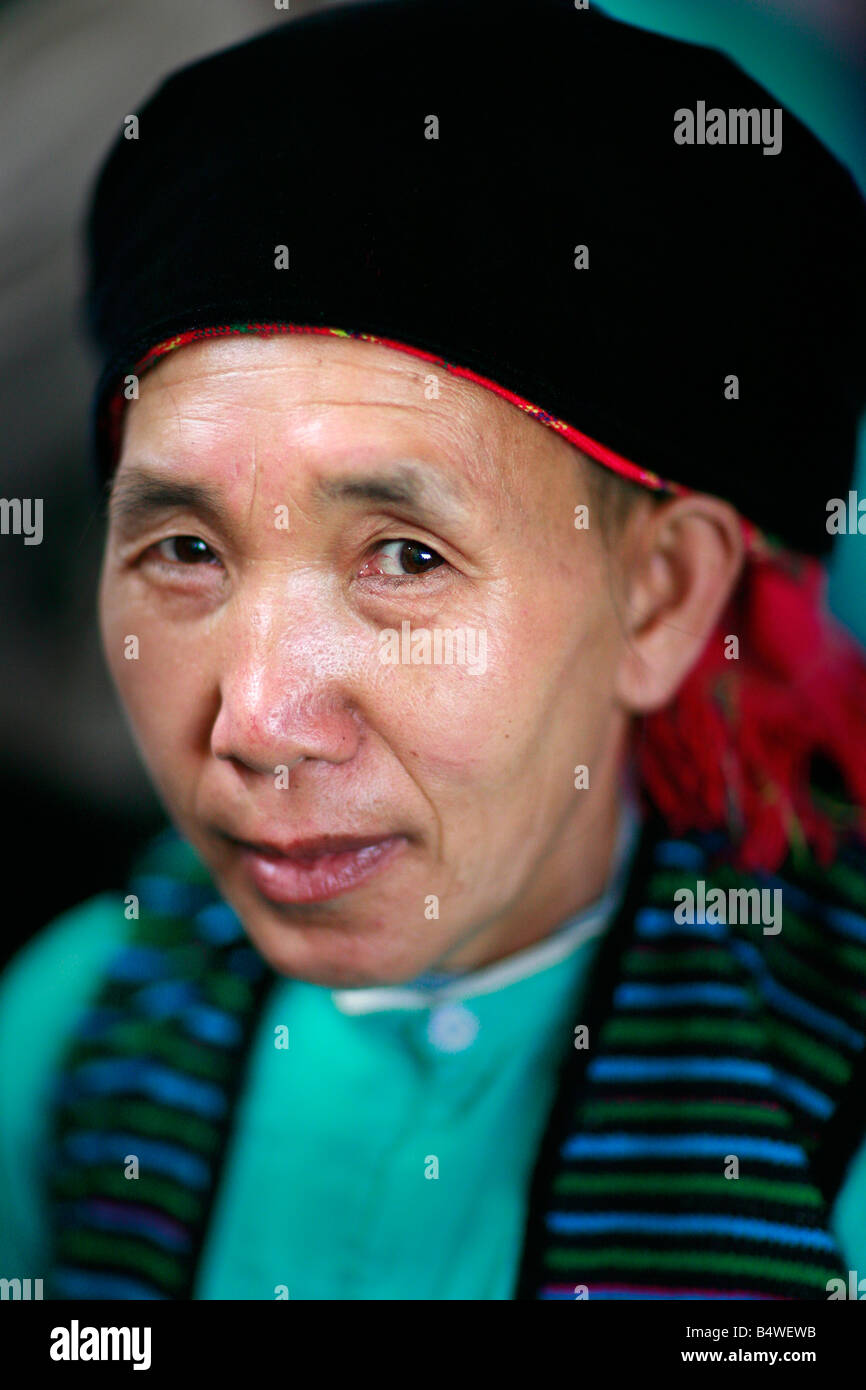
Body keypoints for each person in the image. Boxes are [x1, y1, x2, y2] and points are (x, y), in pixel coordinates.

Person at [1, 0, 865, 1301]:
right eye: (185, 549)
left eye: (404, 556)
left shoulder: (831, 1116)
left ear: (660, 597)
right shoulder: (70, 1029)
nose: (257, 721)